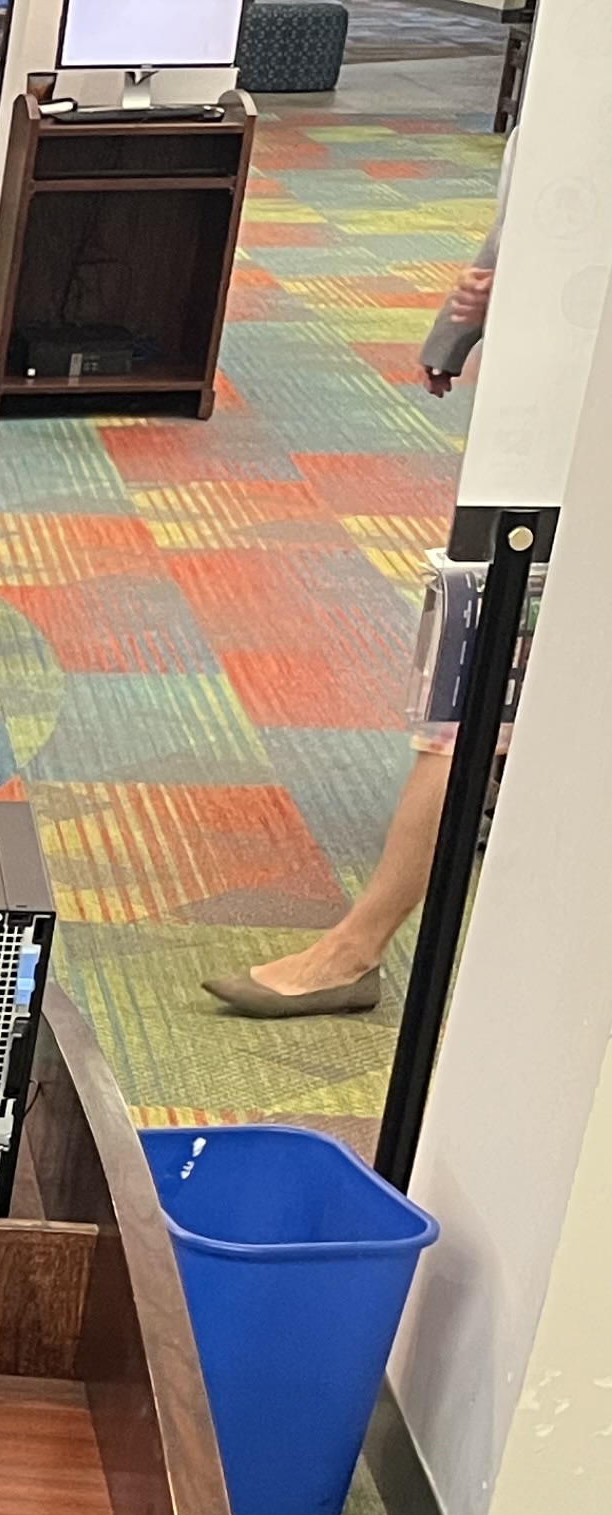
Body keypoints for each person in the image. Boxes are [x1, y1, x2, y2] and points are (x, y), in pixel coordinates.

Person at [201, 248, 498, 1019]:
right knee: (478, 703)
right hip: (538, 449)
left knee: (477, 714)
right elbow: (515, 234)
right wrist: (456, 333)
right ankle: (354, 950)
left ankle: (351, 952)